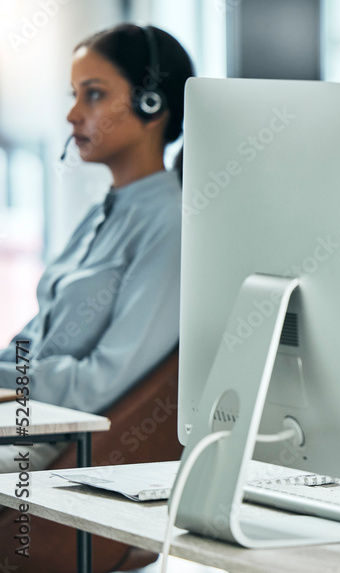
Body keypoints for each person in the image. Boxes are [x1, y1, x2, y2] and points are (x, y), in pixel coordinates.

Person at [0, 24, 195, 471]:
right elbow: (33, 340)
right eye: (74, 94)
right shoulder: (102, 212)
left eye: (93, 95)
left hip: (54, 441)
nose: (72, 115)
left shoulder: (171, 223)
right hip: (24, 417)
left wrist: (13, 381)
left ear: (152, 105)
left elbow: (99, 381)